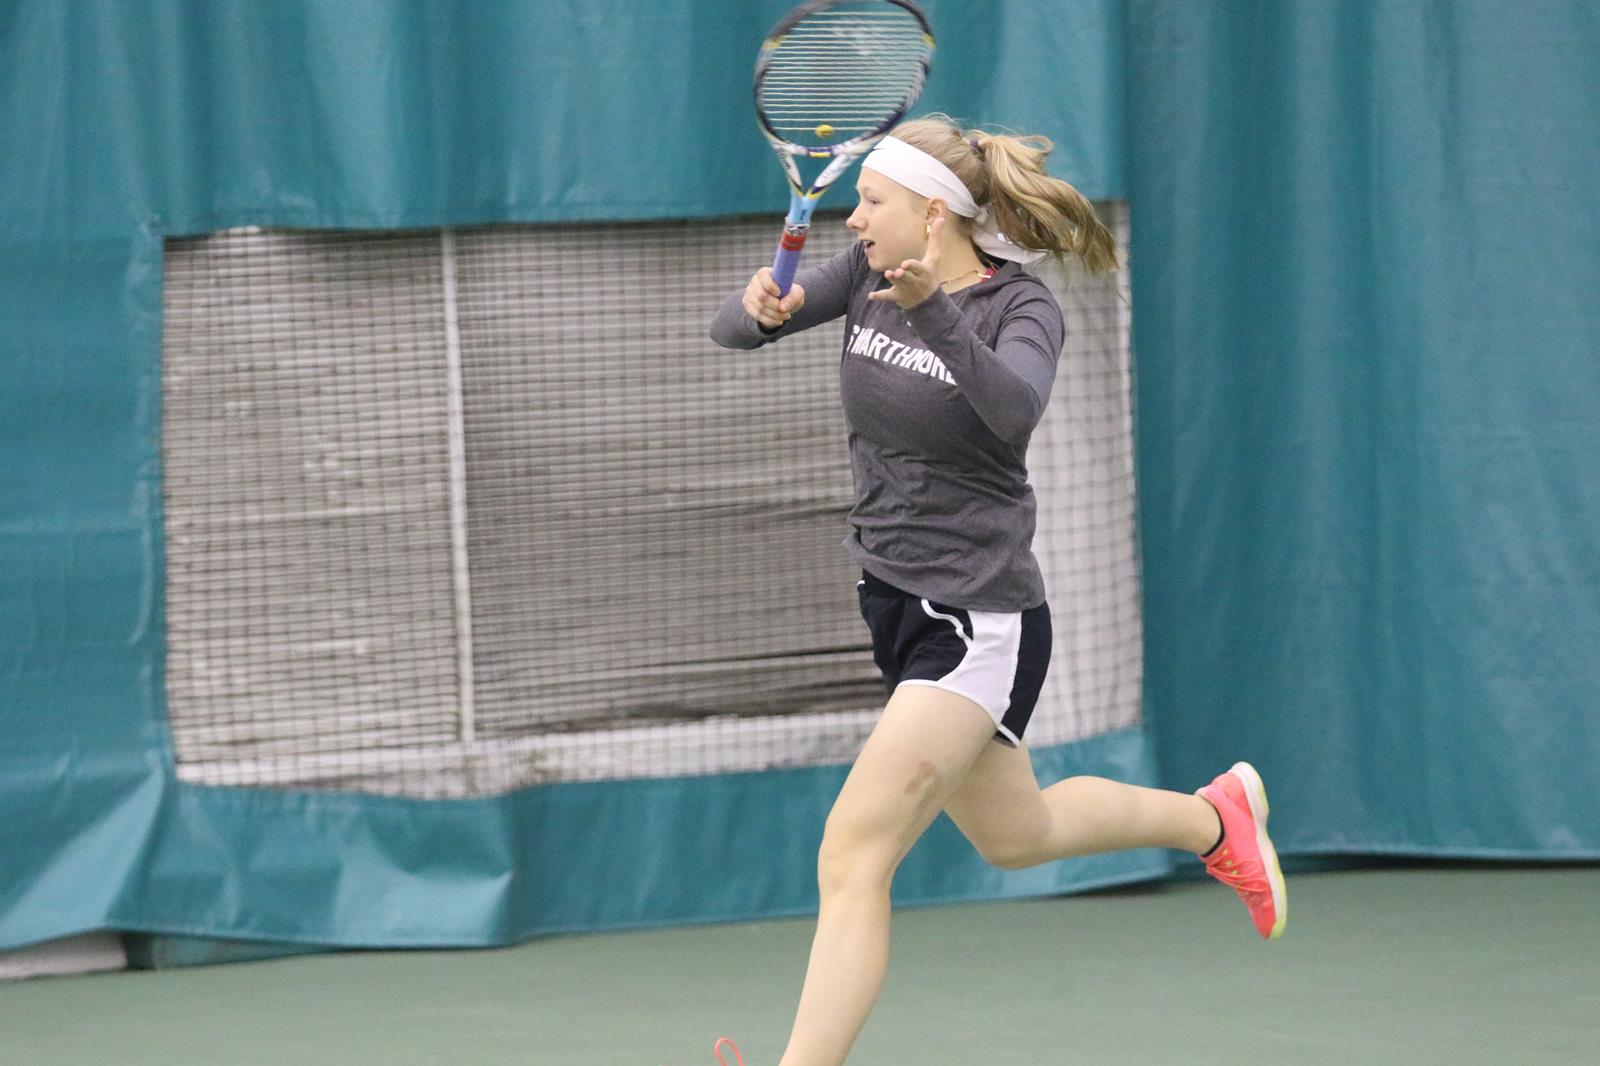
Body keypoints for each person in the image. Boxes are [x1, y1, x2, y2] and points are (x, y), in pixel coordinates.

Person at [708, 114, 1286, 1066]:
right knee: (1020, 835)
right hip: (892, 597)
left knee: (853, 855)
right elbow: (735, 330)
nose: (856, 220)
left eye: (876, 202)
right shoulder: (859, 275)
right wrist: (757, 310)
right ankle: (1214, 816)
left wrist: (934, 306)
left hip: (975, 615)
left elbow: (1011, 415)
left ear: (933, 215)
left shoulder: (1021, 311)